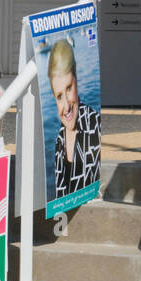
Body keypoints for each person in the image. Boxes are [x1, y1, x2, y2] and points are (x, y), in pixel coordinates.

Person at [47, 38, 101, 199]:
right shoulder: (59, 138)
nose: (66, 106)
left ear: (77, 79)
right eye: (58, 96)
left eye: (69, 88)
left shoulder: (94, 124)